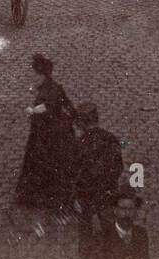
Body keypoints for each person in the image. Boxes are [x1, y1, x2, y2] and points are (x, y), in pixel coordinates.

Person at [15, 54, 76, 208]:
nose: (32, 77)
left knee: (42, 162)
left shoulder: (48, 91)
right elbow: (68, 106)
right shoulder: (53, 86)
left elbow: (45, 109)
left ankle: (43, 196)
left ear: (41, 75)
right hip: (53, 131)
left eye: (34, 74)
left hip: (46, 134)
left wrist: (32, 111)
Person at [69, 102, 124, 247]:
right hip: (107, 193)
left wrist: (75, 196)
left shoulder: (79, 144)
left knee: (86, 230)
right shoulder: (110, 138)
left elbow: (74, 173)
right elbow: (118, 167)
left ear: (81, 123)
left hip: (86, 196)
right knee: (109, 227)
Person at [93, 188, 151, 259]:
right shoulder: (104, 234)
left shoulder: (141, 234)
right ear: (115, 210)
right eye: (123, 209)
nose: (127, 213)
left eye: (131, 209)